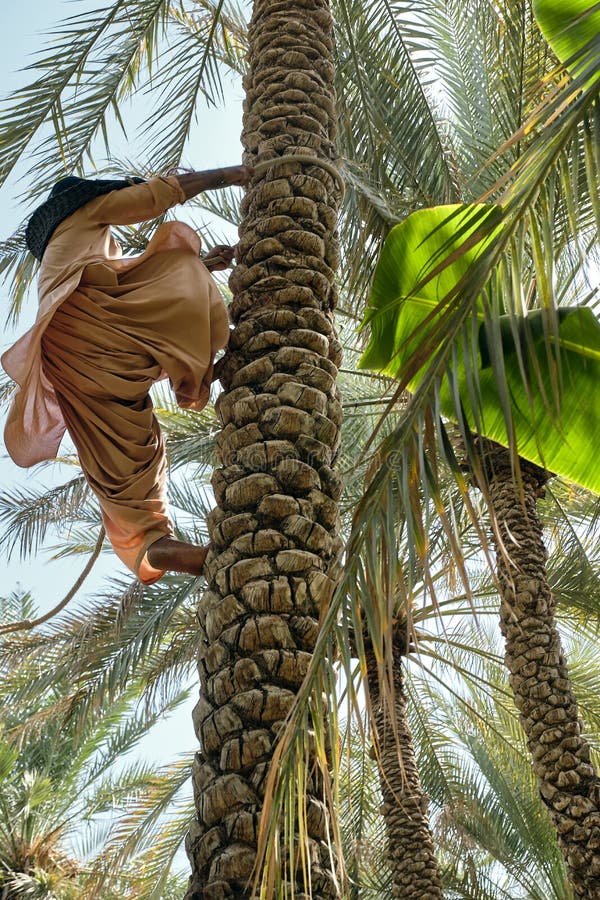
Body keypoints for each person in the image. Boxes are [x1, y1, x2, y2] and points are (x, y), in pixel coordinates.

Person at [1, 166, 252, 584]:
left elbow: (127, 285)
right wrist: (232, 174)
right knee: (178, 267)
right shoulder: (83, 212)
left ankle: (169, 548)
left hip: (70, 366)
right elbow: (158, 196)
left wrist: (207, 264)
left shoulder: (65, 254)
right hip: (88, 330)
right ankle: (205, 368)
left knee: (135, 458)